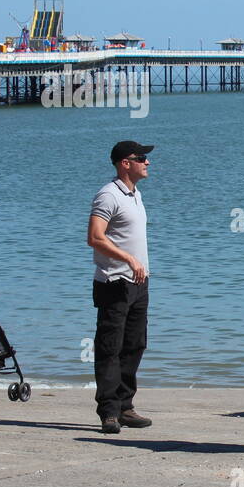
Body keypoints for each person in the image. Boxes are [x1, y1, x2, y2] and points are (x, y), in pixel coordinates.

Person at [87, 141, 155, 435]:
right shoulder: (108, 195)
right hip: (114, 282)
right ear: (124, 163)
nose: (147, 163)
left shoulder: (135, 195)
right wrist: (127, 258)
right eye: (141, 158)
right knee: (109, 348)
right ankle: (109, 412)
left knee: (135, 345)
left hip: (139, 283)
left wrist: (139, 265)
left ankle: (126, 406)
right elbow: (94, 237)